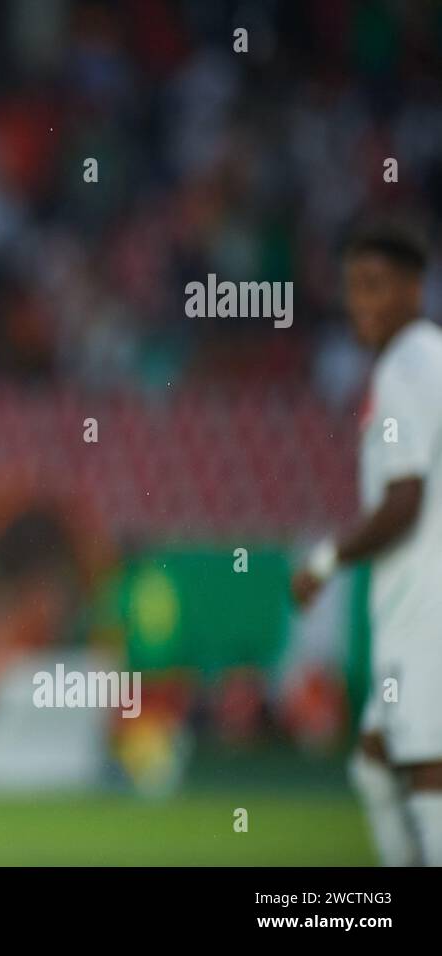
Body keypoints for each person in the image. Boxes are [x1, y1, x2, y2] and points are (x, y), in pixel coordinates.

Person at [292, 221, 442, 865]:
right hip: (412, 605)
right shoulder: (427, 357)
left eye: (377, 286)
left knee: (426, 770)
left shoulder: (408, 365)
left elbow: (403, 503)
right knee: (376, 765)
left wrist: (325, 561)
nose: (362, 302)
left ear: (415, 288)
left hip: (425, 612)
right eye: (354, 287)